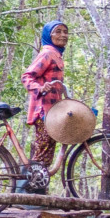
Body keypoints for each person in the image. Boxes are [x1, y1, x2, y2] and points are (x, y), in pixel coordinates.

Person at [21, 19, 69, 173]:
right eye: (58, 31)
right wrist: (40, 88)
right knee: (42, 153)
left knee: (46, 153)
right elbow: (27, 77)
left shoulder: (56, 55)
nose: (63, 35)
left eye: (65, 31)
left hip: (53, 111)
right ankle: (28, 189)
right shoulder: (48, 53)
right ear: (49, 35)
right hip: (43, 111)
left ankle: (38, 187)